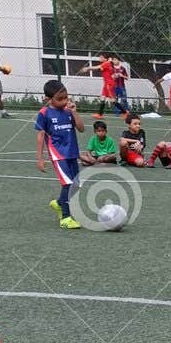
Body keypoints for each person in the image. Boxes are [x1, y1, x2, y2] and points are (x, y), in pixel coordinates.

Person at [35, 79, 85, 230]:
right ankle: (66, 217)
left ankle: (58, 203)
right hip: (58, 154)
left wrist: (74, 112)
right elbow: (40, 136)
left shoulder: (69, 111)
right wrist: (40, 158)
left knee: (76, 185)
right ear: (48, 99)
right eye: (60, 99)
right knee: (68, 184)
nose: (64, 101)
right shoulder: (44, 113)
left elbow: (81, 129)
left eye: (66, 98)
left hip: (72, 152)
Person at [82, 53, 130, 119]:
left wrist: (87, 68)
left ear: (105, 59)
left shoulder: (106, 63)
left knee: (113, 100)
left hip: (109, 84)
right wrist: (89, 69)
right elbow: (100, 69)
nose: (100, 58)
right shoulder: (108, 63)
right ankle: (100, 114)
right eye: (100, 57)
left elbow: (97, 67)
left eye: (101, 57)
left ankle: (125, 113)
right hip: (107, 84)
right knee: (103, 98)